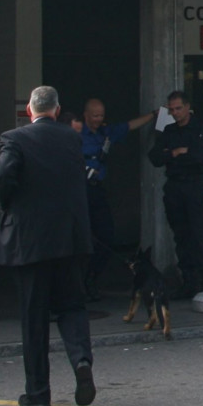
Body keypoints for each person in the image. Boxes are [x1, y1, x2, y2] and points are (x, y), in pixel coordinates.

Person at [0, 85, 96, 406]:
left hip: (31, 242)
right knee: (72, 305)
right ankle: (81, 361)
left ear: (29, 111)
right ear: (56, 109)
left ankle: (38, 393)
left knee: (33, 316)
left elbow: (4, 176)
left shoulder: (15, 139)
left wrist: (11, 205)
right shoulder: (71, 138)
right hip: (69, 238)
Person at [144, 92, 203, 299]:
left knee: (200, 233)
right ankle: (189, 281)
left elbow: (201, 158)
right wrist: (174, 153)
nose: (175, 113)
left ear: (187, 107)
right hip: (175, 187)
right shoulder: (168, 130)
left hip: (196, 186)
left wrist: (177, 155)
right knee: (181, 235)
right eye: (171, 109)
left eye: (178, 109)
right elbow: (155, 157)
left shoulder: (201, 129)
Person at [76, 98, 132, 298]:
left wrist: (154, 115)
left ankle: (91, 279)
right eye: (95, 115)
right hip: (77, 191)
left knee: (105, 236)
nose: (98, 119)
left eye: (101, 115)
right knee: (78, 240)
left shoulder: (105, 133)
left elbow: (127, 127)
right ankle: (76, 285)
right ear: (85, 115)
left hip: (96, 189)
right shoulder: (75, 133)